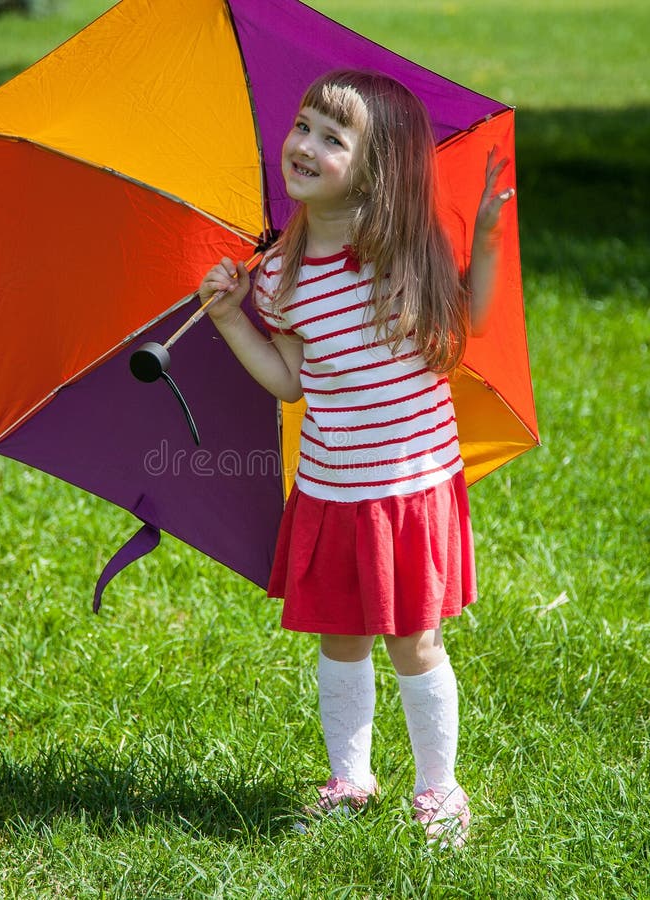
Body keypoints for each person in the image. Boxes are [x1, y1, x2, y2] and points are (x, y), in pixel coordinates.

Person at [199, 69, 514, 848]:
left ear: (376, 171)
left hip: (407, 485)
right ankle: (350, 777)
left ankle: (438, 789)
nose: (303, 144)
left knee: (414, 641)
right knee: (339, 636)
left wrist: (485, 240)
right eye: (302, 124)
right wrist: (232, 320)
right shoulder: (277, 275)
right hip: (333, 486)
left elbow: (469, 319)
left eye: (331, 138)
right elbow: (289, 382)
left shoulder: (404, 254)